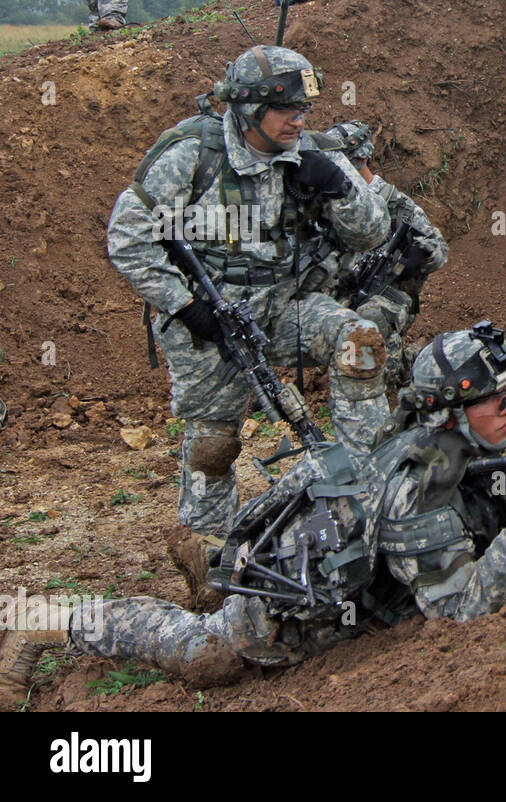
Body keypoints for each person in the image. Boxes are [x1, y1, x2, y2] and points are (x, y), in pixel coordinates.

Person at [0, 325, 506, 701]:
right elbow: (460, 611)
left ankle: (208, 562)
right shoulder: (419, 489)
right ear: (450, 415)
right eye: (494, 398)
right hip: (295, 606)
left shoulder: (495, 429)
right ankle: (47, 619)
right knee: (207, 656)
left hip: (364, 575)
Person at [106, 45, 392, 543]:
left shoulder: (313, 153)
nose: (298, 121)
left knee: (360, 345)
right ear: (248, 109)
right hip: (208, 319)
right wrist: (187, 307)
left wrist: (337, 186)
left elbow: (373, 233)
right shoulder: (193, 155)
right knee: (214, 445)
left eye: (304, 110)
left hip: (284, 307)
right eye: (287, 110)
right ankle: (211, 551)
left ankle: (372, 491)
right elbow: (128, 241)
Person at [312, 120, 448, 389]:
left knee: (371, 321)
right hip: (341, 291)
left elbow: (438, 250)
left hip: (387, 297)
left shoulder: (394, 204)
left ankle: (410, 364)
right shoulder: (328, 203)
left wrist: (418, 257)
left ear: (360, 158)